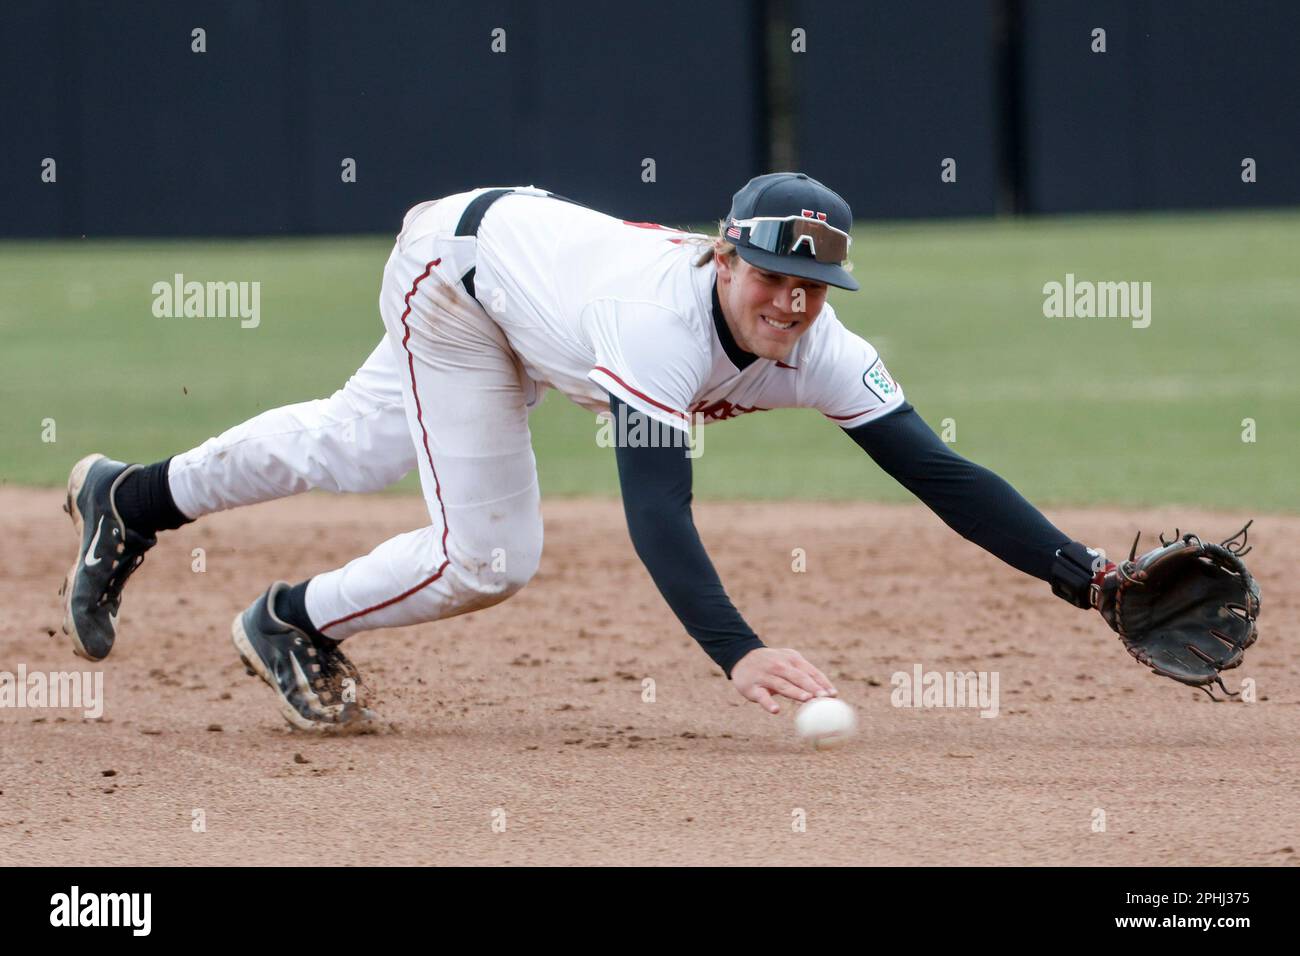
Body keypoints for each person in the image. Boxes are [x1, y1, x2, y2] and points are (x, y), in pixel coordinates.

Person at [60, 173, 1112, 731]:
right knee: (487, 552)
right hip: (461, 274)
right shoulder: (657, 322)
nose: (788, 302)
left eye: (811, 287)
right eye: (766, 274)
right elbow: (657, 510)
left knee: (353, 439)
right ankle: (288, 619)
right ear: (721, 253)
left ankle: (131, 500)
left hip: (519, 274)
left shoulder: (821, 347)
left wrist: (1089, 578)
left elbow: (941, 474)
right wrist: (737, 649)